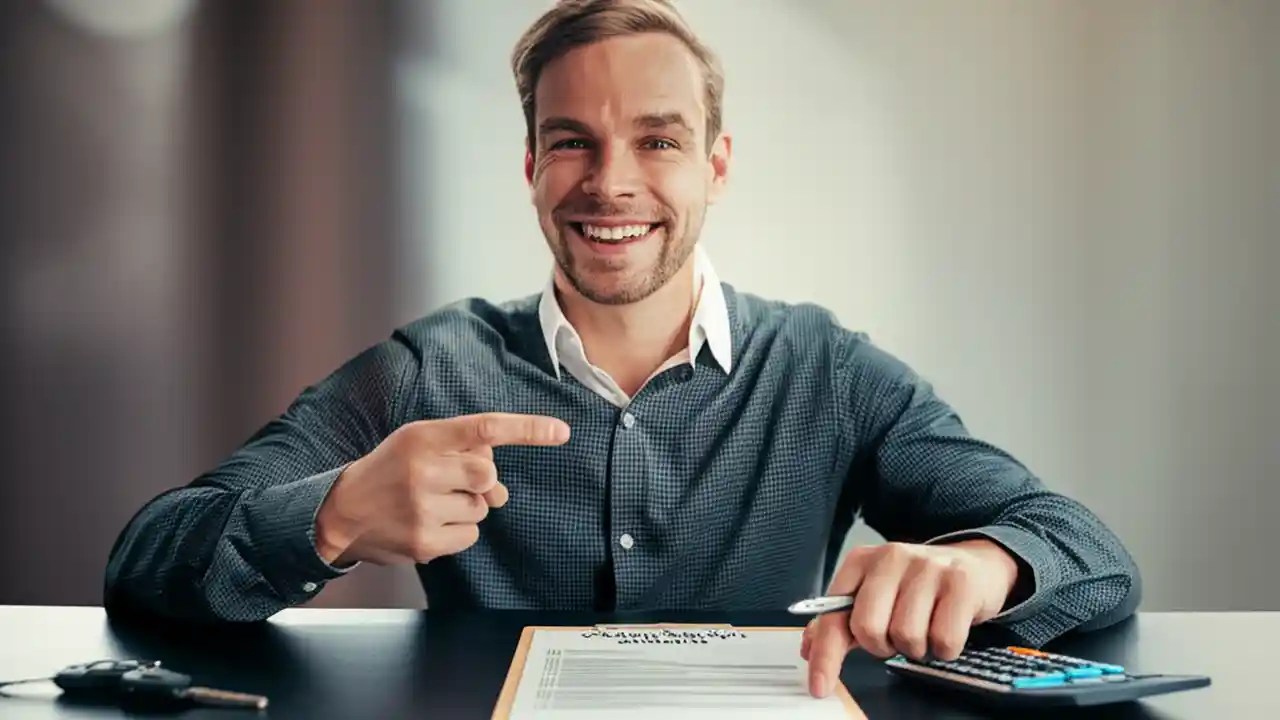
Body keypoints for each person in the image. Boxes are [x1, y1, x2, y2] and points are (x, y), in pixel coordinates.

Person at [104, 0, 1140, 700]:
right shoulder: (427, 371)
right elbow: (149, 556)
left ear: (714, 166)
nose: (611, 182)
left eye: (655, 140)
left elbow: (1086, 553)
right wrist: (326, 517)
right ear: (529, 166)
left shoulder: (826, 371)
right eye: (571, 142)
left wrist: (985, 562)